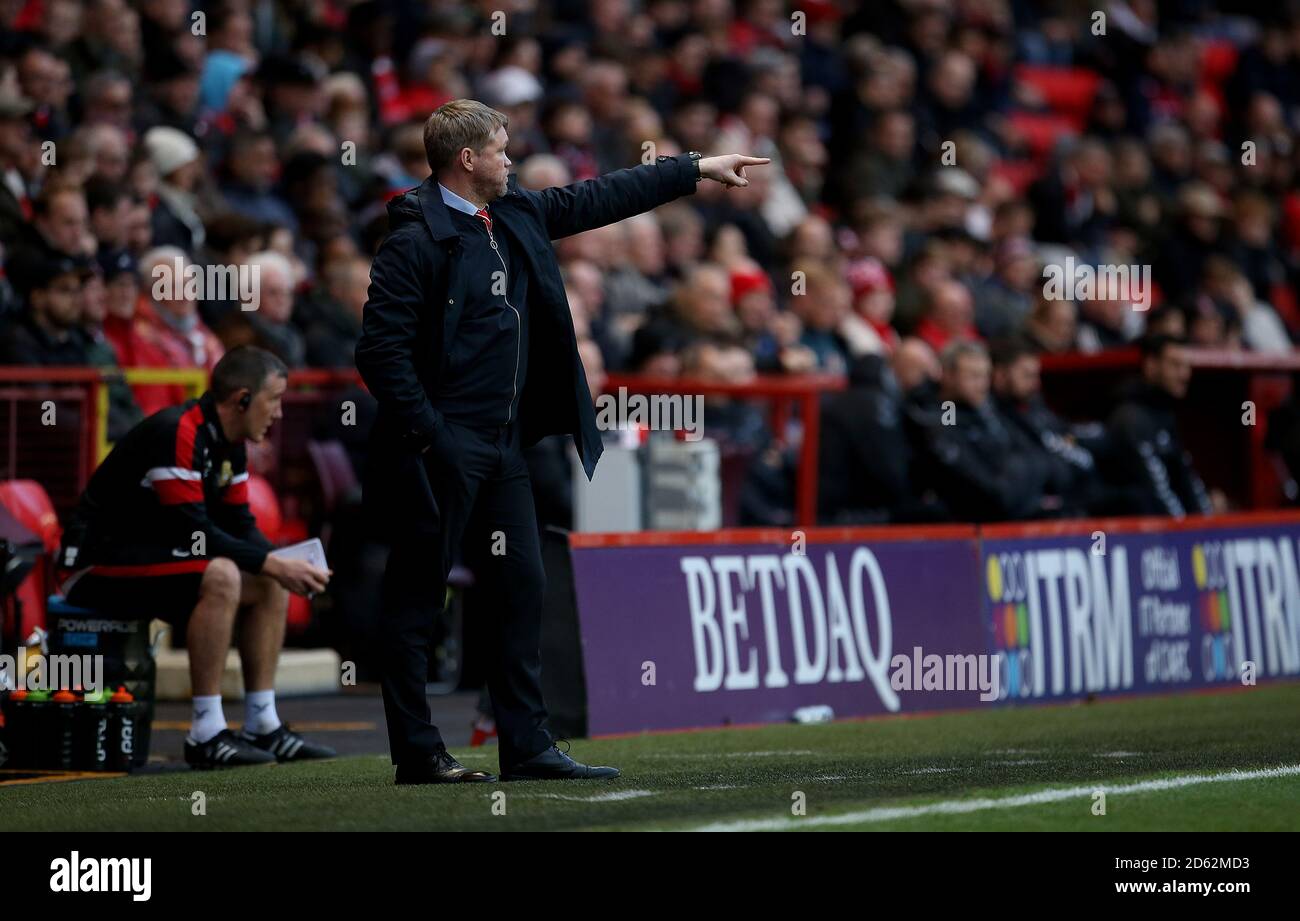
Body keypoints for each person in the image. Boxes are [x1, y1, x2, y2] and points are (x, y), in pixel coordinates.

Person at [355, 98, 767, 784]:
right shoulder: (413, 241)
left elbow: (598, 196)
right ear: (467, 159)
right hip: (437, 449)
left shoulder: (513, 212)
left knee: (522, 586)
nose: (510, 159)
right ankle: (419, 750)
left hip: (504, 444)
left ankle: (526, 743)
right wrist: (433, 436)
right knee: (419, 597)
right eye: (500, 148)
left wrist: (693, 169)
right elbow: (380, 353)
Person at [55, 347, 337, 769]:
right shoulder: (179, 431)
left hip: (155, 556)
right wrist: (274, 562)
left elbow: (240, 525)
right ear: (242, 399)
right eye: (273, 399)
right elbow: (196, 533)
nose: (278, 413)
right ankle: (206, 733)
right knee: (227, 572)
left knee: (266, 575)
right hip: (91, 565)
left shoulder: (231, 443)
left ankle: (263, 722)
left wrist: (285, 564)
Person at [1102, 334, 1213, 518]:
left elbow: (1186, 477)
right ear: (1151, 366)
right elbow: (1156, 491)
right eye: (1175, 365)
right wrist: (1188, 532)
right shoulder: (1130, 419)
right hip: (1141, 534)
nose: (1184, 374)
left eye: (1187, 366)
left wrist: (1208, 523)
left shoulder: (1164, 413)